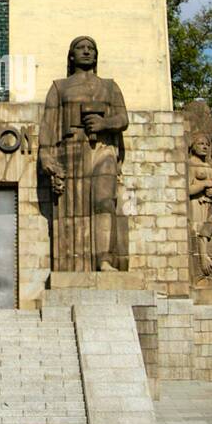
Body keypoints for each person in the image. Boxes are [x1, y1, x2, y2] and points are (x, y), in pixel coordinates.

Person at [39, 37, 129, 271]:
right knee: (73, 208)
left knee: (104, 201)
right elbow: (48, 124)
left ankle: (105, 259)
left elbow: (123, 119)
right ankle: (75, 264)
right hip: (71, 150)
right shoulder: (59, 87)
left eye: (91, 49)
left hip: (103, 148)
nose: (87, 52)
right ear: (71, 55)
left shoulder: (110, 86)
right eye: (81, 48)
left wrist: (104, 123)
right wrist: (46, 156)